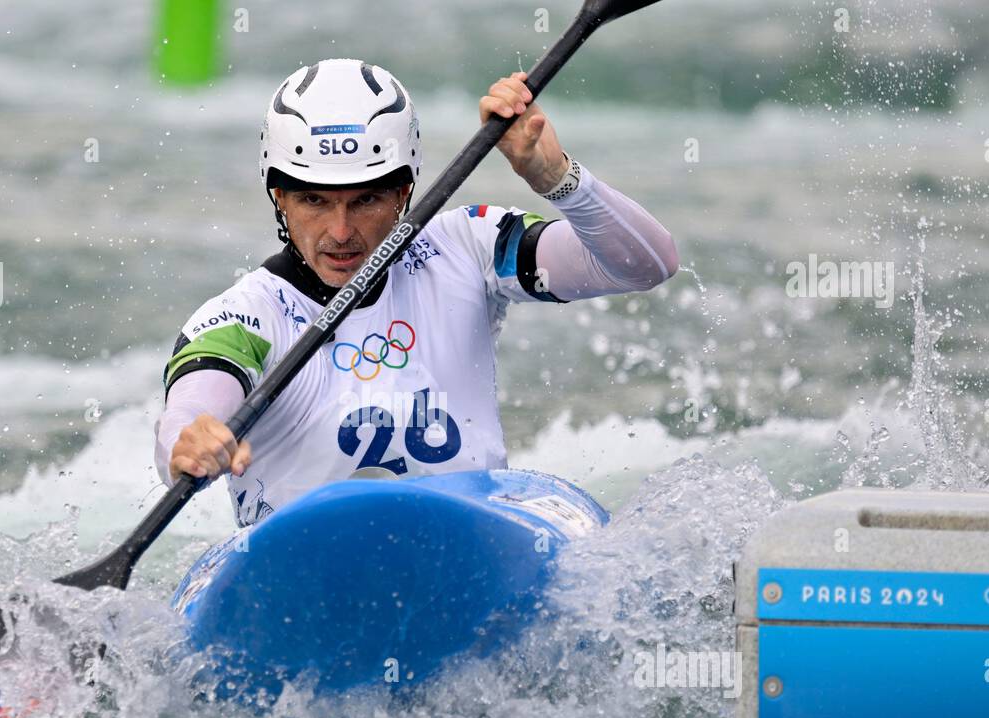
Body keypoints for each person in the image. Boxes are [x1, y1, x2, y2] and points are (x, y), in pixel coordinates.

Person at [154, 58, 678, 527]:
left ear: (404, 191)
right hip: (307, 580)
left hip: (468, 551)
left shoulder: (469, 247)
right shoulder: (242, 318)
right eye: (315, 200)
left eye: (367, 200)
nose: (340, 232)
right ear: (280, 197)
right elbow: (190, 413)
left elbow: (645, 266)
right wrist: (190, 441)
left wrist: (558, 178)